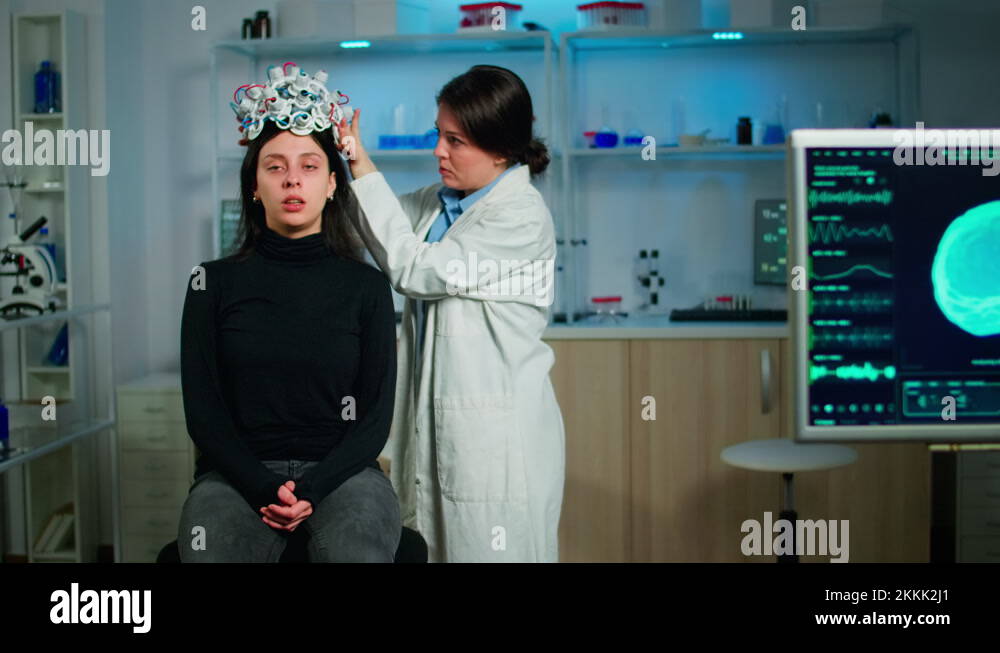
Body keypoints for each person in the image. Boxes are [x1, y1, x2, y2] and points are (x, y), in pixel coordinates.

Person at [337, 65, 565, 562]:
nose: (438, 151)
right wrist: (323, 156)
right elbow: (367, 230)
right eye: (438, 135)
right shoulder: (440, 205)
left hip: (498, 440)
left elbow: (412, 268)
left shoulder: (519, 216)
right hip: (442, 423)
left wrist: (360, 163)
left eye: (455, 141)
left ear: (501, 148)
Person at [177, 64, 400, 562]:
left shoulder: (366, 286)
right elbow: (205, 415)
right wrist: (261, 486)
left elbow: (374, 421)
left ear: (332, 185)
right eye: (275, 166)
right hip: (234, 475)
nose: (292, 179)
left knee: (358, 554)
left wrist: (314, 487)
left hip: (346, 472)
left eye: (310, 166)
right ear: (254, 186)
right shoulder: (210, 283)